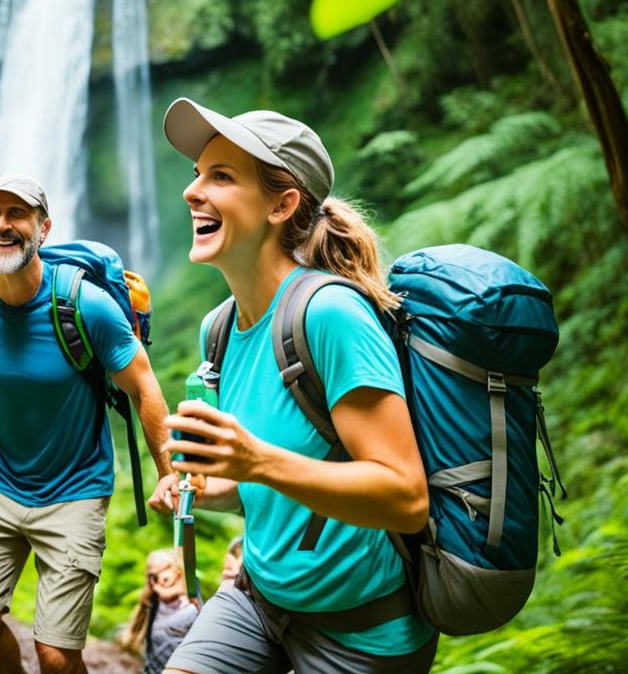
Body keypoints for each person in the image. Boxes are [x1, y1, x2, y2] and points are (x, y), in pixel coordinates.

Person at [152, 98, 439, 673]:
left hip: (360, 629)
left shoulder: (331, 316)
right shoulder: (220, 328)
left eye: (221, 176)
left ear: (282, 204)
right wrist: (214, 491)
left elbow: (405, 499)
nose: (192, 192)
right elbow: (283, 486)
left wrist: (253, 462)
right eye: (197, 175)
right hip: (259, 598)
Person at [0, 174, 176, 674]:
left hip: (76, 488)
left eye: (17, 214)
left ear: (44, 227)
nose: (2, 224)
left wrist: (168, 469)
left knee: (57, 656)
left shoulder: (87, 306)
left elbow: (144, 386)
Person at [118, 549, 199, 674]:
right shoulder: (151, 610)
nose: (163, 576)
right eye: (154, 574)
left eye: (167, 568)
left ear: (179, 572)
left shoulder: (193, 609)